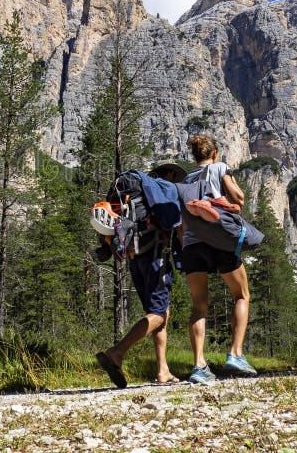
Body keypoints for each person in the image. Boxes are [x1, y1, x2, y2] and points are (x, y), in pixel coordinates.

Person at [95, 162, 185, 388]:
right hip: (155, 255)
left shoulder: (141, 190)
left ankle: (163, 371)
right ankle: (117, 352)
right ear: (171, 174)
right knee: (158, 314)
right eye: (177, 177)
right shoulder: (165, 189)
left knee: (161, 312)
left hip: (135, 256)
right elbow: (177, 224)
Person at [180, 135, 257, 383]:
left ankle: (199, 366)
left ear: (195, 156)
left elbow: (182, 224)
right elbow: (239, 199)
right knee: (241, 295)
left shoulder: (185, 180)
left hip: (192, 245)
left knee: (199, 305)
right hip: (219, 240)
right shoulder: (220, 167)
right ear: (214, 154)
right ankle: (235, 354)